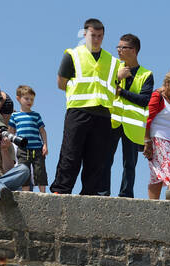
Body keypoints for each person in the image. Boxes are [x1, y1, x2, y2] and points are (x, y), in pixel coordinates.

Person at [52, 19, 119, 196]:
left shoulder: (112, 62)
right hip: (78, 111)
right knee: (70, 154)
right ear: (84, 35)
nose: (96, 39)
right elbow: (61, 83)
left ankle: (89, 195)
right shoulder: (72, 55)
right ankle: (61, 191)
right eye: (92, 35)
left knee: (96, 159)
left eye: (99, 36)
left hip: (103, 114)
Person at [109, 34, 152, 200]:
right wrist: (117, 78)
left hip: (132, 126)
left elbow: (144, 100)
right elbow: (104, 89)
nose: (119, 50)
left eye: (122, 47)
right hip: (113, 121)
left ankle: (126, 195)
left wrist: (122, 92)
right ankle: (102, 191)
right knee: (105, 160)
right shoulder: (113, 68)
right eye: (118, 47)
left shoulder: (146, 74)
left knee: (129, 164)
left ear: (133, 51)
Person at [144, 69, 170, 200]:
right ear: (168, 84)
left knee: (158, 176)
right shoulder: (157, 96)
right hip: (159, 141)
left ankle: (154, 207)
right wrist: (147, 142)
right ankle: (168, 207)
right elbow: (147, 118)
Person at [9, 85, 48, 192]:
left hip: (37, 148)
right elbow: (11, 132)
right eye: (26, 98)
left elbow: (42, 131)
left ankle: (43, 193)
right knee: (24, 170)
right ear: (18, 98)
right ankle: (26, 193)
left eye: (32, 99)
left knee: (40, 171)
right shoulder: (15, 116)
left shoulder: (36, 115)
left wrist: (45, 145)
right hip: (22, 149)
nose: (29, 101)